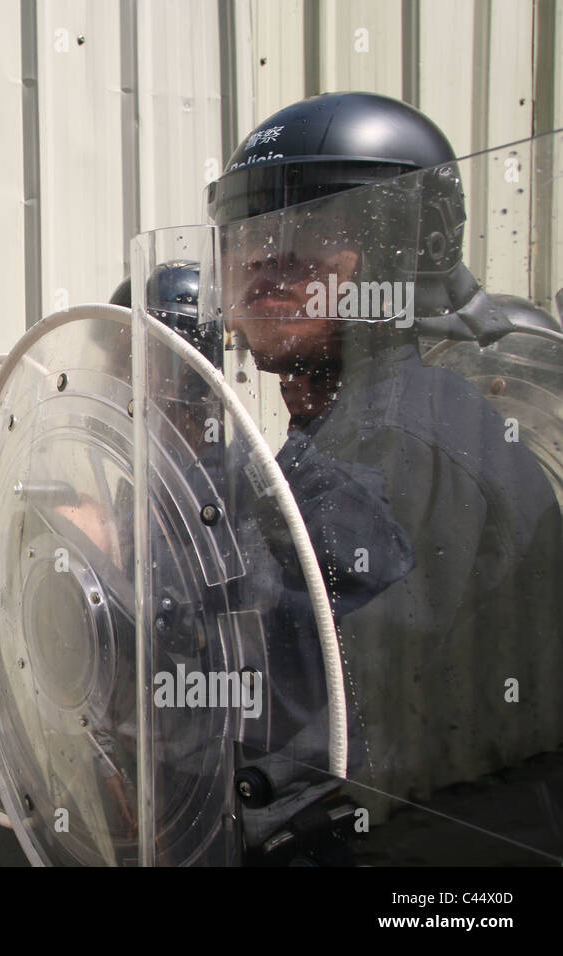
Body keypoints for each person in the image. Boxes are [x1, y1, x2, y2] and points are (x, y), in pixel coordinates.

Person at [206, 92, 563, 863]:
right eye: (251, 229)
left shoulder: (397, 447)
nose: (269, 256)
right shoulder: (345, 426)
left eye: (314, 227)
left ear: (405, 248)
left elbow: (285, 719)